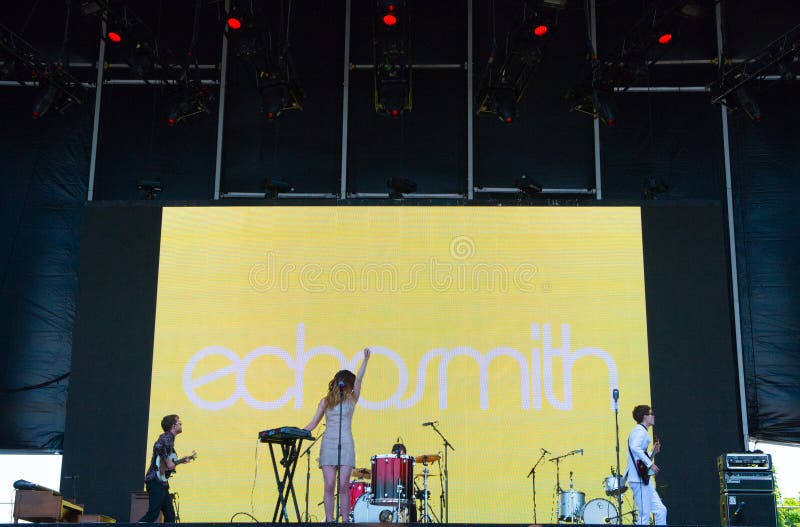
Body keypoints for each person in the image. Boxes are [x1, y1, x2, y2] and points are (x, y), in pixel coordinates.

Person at [304, 348, 371, 522]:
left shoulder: (351, 400)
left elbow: (360, 379)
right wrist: (299, 432)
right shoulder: (325, 401)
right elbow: (313, 423)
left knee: (343, 485)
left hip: (346, 443)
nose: (350, 388)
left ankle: (345, 520)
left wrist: (365, 360)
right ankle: (329, 520)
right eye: (349, 385)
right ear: (343, 384)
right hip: (329, 444)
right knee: (329, 484)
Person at [138, 415, 193, 523]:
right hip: (155, 481)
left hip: (161, 483)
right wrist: (168, 461)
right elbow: (158, 446)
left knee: (170, 516)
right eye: (179, 422)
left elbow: (166, 467)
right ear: (173, 426)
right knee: (152, 514)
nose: (181, 424)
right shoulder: (167, 436)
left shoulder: (170, 440)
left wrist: (181, 461)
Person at [625, 405, 667, 525]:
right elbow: (634, 447)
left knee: (660, 510)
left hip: (642, 479)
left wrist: (653, 452)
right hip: (638, 479)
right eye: (651, 413)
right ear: (645, 417)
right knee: (644, 516)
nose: (653, 416)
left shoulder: (640, 431)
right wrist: (650, 464)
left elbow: (640, 457)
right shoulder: (640, 431)